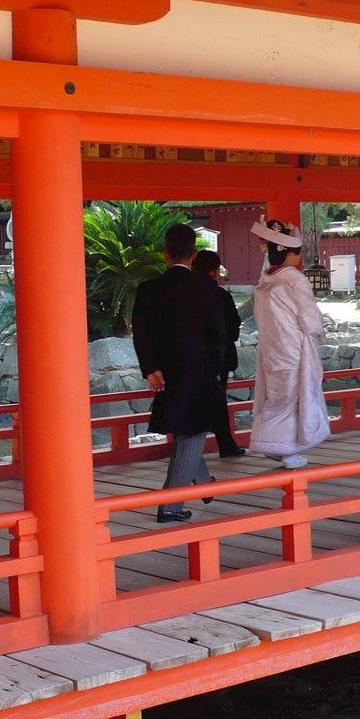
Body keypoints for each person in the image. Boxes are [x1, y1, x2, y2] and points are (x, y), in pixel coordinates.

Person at [132, 224, 224, 523]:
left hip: (166, 372)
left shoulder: (148, 289)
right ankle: (170, 505)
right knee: (192, 431)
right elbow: (218, 337)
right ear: (194, 254)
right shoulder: (208, 288)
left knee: (186, 430)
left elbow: (142, 335)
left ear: (165, 254)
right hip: (199, 370)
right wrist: (215, 371)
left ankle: (203, 480)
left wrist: (151, 369)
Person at [248, 219, 329, 469]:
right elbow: (308, 316)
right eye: (297, 253)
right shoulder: (294, 279)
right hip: (293, 347)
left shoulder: (265, 279)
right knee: (295, 397)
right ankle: (288, 450)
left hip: (272, 347)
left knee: (276, 397)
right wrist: (318, 332)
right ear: (288, 253)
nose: (299, 258)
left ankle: (270, 442)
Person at [193, 249, 245, 458]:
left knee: (195, 402)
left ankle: (192, 450)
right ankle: (225, 444)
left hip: (190, 358)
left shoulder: (187, 293)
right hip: (217, 358)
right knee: (217, 401)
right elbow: (233, 327)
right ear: (214, 272)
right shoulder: (220, 295)